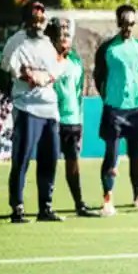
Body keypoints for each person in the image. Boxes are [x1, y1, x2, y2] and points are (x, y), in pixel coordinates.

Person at [3, 1, 65, 223]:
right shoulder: (17, 41)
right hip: (27, 106)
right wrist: (29, 76)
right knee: (22, 159)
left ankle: (45, 207)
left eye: (42, 19)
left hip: (49, 108)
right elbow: (11, 68)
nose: (38, 23)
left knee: (50, 160)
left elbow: (54, 71)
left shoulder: (48, 44)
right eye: (34, 18)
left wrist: (43, 77)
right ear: (26, 19)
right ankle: (17, 208)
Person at [94, 4, 138, 216]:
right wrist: (108, 97)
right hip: (114, 110)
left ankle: (137, 197)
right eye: (125, 23)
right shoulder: (107, 49)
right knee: (112, 155)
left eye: (132, 23)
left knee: (137, 156)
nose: (128, 27)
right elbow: (98, 76)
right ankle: (107, 198)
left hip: (136, 110)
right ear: (118, 22)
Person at [48, 18, 97, 218]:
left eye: (67, 34)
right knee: (48, 163)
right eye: (61, 35)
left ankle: (79, 204)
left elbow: (78, 93)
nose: (65, 38)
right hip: (52, 120)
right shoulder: (47, 60)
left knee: (73, 161)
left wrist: (80, 120)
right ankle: (45, 205)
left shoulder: (76, 60)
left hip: (73, 121)